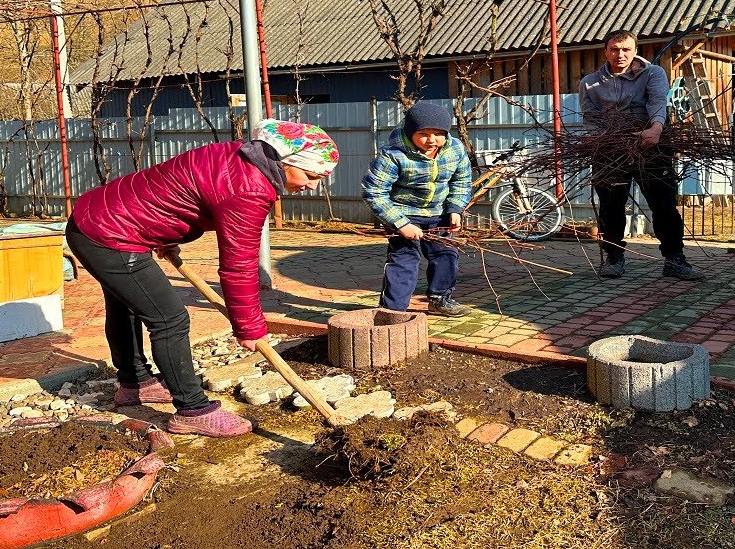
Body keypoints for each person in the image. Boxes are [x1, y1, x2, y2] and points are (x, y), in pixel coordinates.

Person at [66, 120, 339, 437]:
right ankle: (192, 410)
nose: (312, 186)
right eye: (310, 176)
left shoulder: (239, 154)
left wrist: (160, 231)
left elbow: (178, 189)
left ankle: (134, 384)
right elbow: (238, 266)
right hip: (109, 233)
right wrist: (249, 326)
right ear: (286, 161)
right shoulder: (250, 188)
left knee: (128, 304)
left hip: (101, 216)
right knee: (169, 319)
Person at [579, 29, 703, 280]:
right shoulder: (590, 83)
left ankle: (674, 258)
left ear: (635, 51)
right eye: (614, 49)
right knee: (611, 207)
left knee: (664, 205)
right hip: (610, 150)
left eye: (626, 49)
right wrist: (602, 139)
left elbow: (657, 102)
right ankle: (614, 257)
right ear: (606, 51)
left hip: (651, 145)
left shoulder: (653, 74)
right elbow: (591, 119)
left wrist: (656, 128)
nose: (620, 54)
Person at [361, 102, 472, 317]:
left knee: (446, 255)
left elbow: (462, 181)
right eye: (423, 134)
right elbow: (373, 192)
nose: (432, 140)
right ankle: (393, 310)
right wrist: (401, 223)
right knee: (404, 261)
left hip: (440, 215)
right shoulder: (393, 155)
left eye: (438, 134)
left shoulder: (455, 149)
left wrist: (456, 208)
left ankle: (441, 298)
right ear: (410, 132)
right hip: (403, 214)